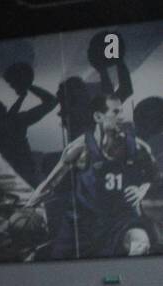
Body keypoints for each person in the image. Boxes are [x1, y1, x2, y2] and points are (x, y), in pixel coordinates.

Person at [26, 94, 155, 258]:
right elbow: (50, 184)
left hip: (121, 218)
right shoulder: (79, 148)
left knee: (141, 244)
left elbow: (152, 175)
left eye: (122, 111)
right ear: (98, 116)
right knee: (53, 264)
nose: (122, 117)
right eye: (116, 112)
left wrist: (142, 190)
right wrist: (27, 207)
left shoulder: (137, 146)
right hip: (83, 223)